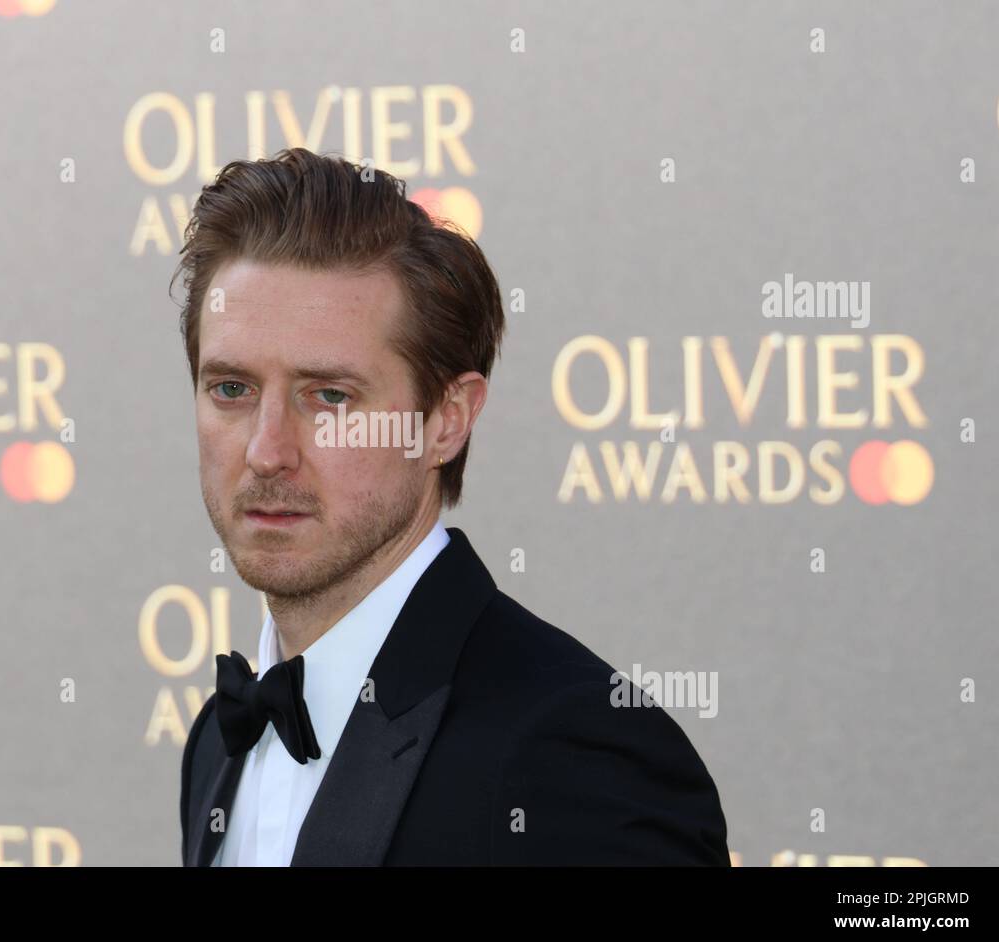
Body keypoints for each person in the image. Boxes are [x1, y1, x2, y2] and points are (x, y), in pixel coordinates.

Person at [173, 147, 730, 866]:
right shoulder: (219, 739)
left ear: (446, 420)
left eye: (331, 396)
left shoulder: (576, 754)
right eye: (231, 390)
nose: (267, 450)